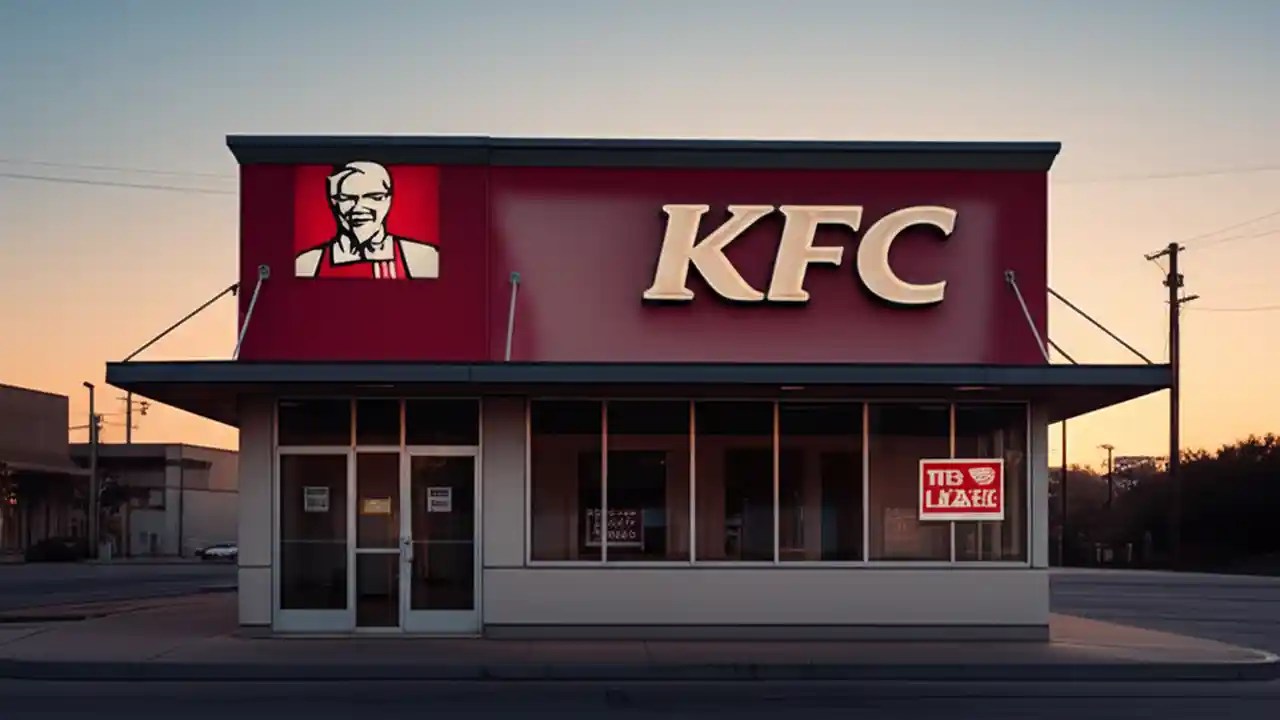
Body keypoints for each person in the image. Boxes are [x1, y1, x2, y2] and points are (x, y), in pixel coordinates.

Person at [295, 161, 439, 279]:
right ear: (333, 201)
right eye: (347, 198)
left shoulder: (420, 257)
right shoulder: (308, 264)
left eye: (374, 197)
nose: (359, 208)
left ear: (388, 200)